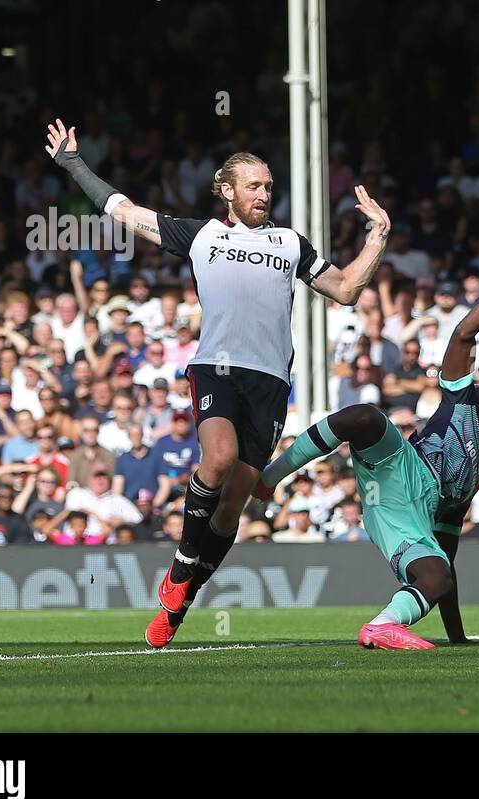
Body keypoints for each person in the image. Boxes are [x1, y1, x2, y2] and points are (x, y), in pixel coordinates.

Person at [44, 119, 393, 647]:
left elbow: (345, 289)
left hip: (271, 382)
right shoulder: (202, 235)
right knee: (220, 456)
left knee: (233, 505)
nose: (264, 194)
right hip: (219, 369)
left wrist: (379, 236)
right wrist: (73, 164)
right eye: (253, 185)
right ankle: (182, 566)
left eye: (269, 186)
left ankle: (179, 606)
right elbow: (122, 211)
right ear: (226, 191)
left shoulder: (290, 243)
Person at [254, 259, 479, 650]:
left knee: (436, 576)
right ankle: (271, 475)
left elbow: (447, 552)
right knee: (365, 417)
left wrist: (457, 637)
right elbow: (464, 333)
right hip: (401, 467)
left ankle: (380, 626)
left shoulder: (470, 482)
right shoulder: (460, 403)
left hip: (403, 516)